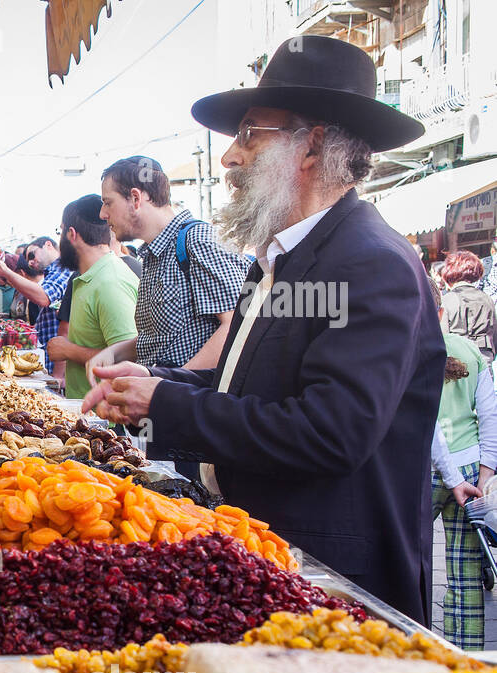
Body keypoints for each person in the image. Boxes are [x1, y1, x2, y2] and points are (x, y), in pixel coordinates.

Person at [82, 36, 441, 624]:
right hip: (272, 567)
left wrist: (166, 402)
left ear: (312, 146)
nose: (229, 157)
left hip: (336, 588)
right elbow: (247, 388)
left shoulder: (372, 262)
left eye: (250, 133)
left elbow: (329, 433)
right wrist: (154, 379)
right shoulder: (279, 259)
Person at [94, 157, 246, 374]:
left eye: (108, 202)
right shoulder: (153, 254)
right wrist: (112, 354)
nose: (102, 213)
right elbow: (162, 340)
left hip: (191, 402)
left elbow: (236, 326)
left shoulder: (199, 239)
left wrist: (166, 385)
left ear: (135, 198)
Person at [429, 280, 496, 651]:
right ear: (443, 312)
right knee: (467, 575)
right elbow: (490, 417)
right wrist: (485, 474)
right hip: (470, 473)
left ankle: (417, 646)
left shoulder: (407, 351)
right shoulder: (470, 349)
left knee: (413, 564)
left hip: (426, 474)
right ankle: (466, 659)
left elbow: (431, 427)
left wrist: (452, 476)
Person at [46, 196, 138, 399]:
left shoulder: (110, 282)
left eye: (61, 231)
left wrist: (69, 351)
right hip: (88, 415)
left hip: (108, 422)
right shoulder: (88, 277)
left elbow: (130, 362)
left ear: (71, 234)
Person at [0, 237, 72, 374]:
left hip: (59, 364)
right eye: (28, 260)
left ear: (48, 245)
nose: (31, 262)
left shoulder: (62, 268)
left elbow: (44, 297)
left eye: (32, 255)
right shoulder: (51, 273)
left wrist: (5, 272)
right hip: (50, 356)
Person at [439, 250, 494, 357]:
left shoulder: (448, 300)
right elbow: (494, 333)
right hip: (485, 356)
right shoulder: (486, 298)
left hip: (458, 360)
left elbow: (443, 337)